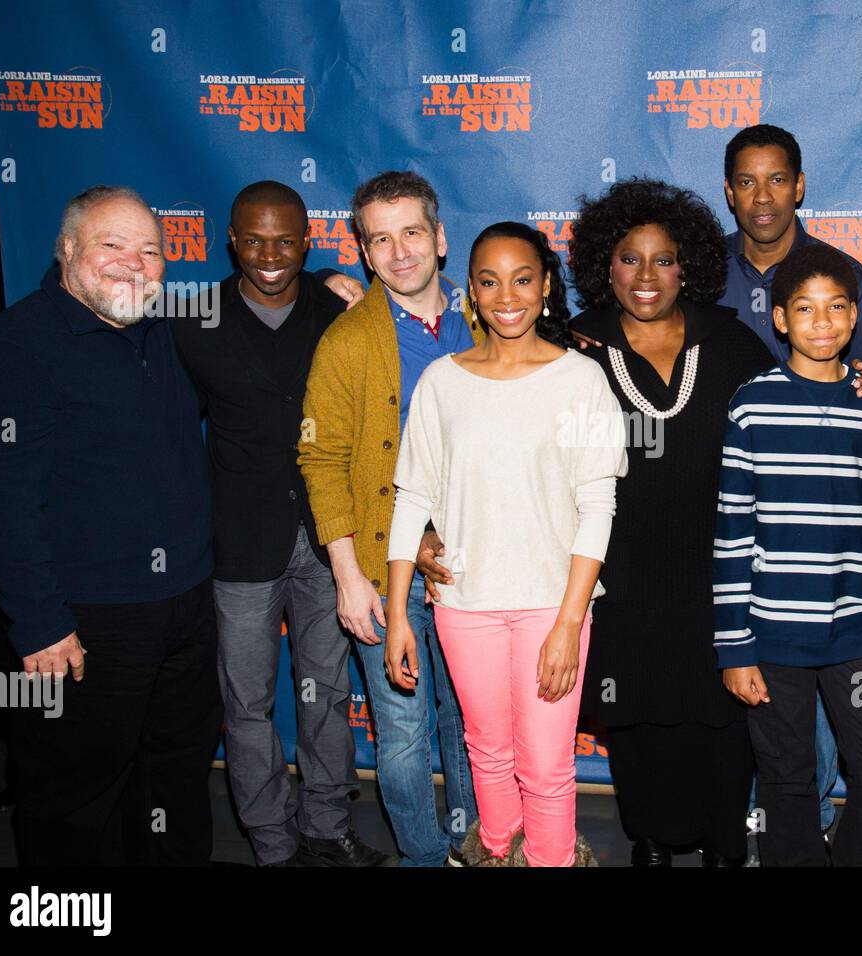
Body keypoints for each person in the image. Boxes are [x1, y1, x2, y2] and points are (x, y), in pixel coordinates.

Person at [0, 185, 221, 865]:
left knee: (174, 773)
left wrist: (322, 280)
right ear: (69, 249)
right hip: (78, 621)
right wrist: (40, 622)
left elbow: (263, 296)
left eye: (151, 251)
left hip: (182, 609)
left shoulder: (164, 324)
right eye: (112, 245)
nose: (133, 264)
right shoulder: (12, 349)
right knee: (73, 794)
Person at [386, 222, 626, 866]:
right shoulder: (442, 381)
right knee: (487, 753)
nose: (507, 296)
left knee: (547, 766)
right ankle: (496, 853)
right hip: (463, 605)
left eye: (522, 279)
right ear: (471, 291)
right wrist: (396, 615)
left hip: (554, 605)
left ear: (546, 285)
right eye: (489, 282)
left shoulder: (580, 380)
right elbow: (413, 499)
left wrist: (570, 623)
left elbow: (598, 507)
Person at [170, 181, 388, 867]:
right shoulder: (193, 318)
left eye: (285, 240)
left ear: (308, 243)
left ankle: (327, 828)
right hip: (237, 543)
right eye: (255, 239)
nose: (270, 254)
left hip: (332, 540)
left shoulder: (340, 312)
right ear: (231, 239)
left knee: (326, 694)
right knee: (248, 704)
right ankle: (270, 840)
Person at [569, 179, 773, 866]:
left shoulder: (734, 344)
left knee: (720, 714)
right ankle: (649, 839)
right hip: (618, 570)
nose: (647, 276)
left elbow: (786, 432)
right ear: (606, 264)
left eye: (664, 259)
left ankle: (724, 844)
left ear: (689, 265)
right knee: (633, 712)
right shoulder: (574, 349)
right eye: (630, 258)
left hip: (716, 568)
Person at [718, 124, 862, 836]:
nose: (762, 197)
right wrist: (734, 642)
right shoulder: (707, 272)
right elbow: (733, 535)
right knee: (784, 770)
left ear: (800, 185)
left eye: (777, 180)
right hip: (759, 572)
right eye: (746, 180)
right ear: (729, 191)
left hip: (850, 596)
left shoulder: (844, 277)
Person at [298, 170, 480, 867]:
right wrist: (348, 576)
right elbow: (321, 459)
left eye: (411, 232)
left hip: (475, 566)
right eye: (381, 239)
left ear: (438, 236)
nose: (400, 252)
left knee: (471, 723)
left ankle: (478, 847)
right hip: (382, 568)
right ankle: (425, 858)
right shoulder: (348, 341)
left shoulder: (489, 319)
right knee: (403, 733)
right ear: (365, 254)